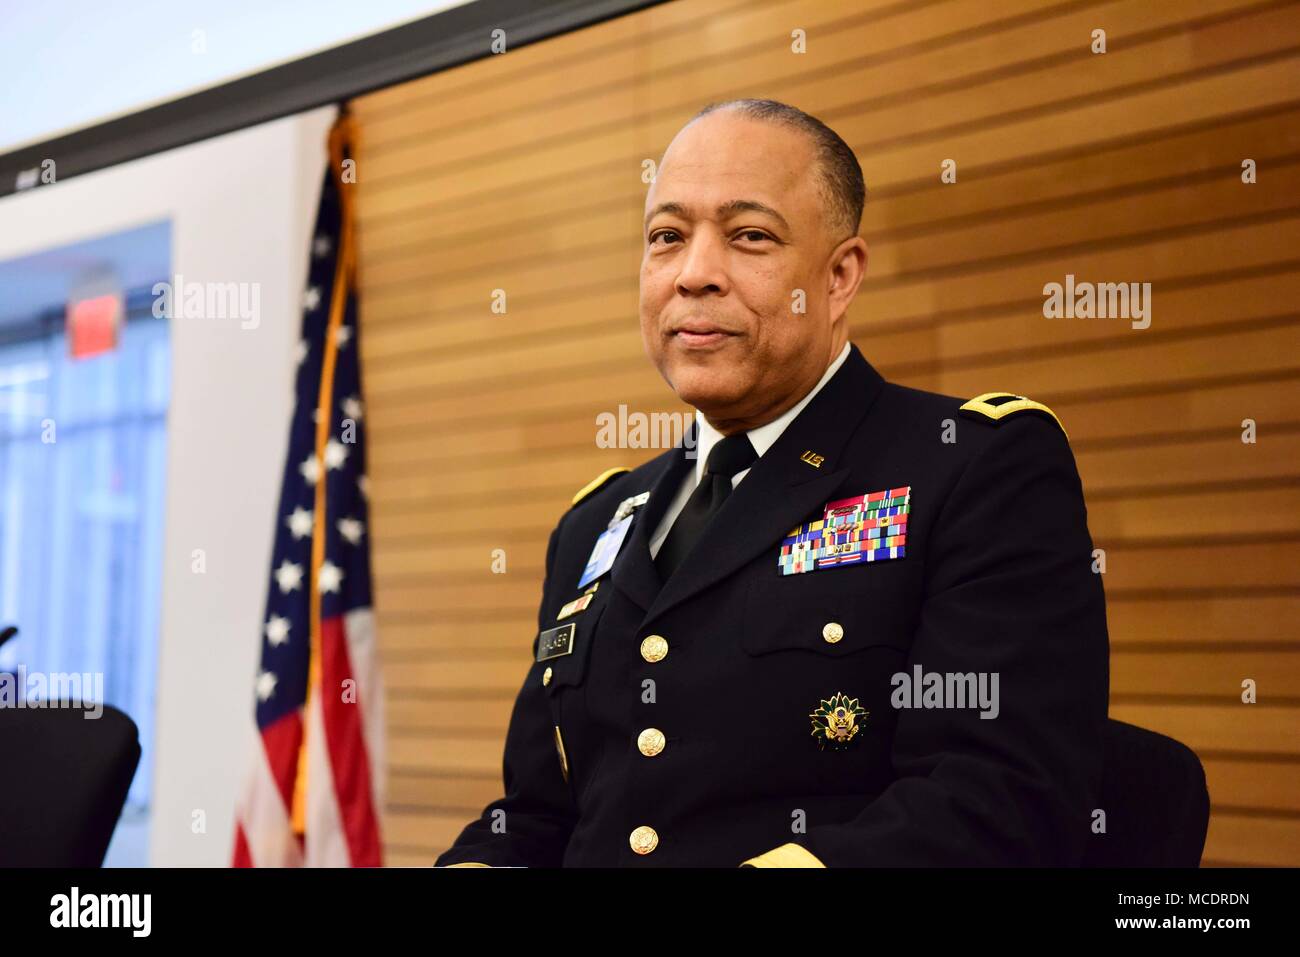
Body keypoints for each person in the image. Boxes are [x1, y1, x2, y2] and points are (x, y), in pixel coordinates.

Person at [435, 98, 1109, 867]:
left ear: (840, 275)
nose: (694, 275)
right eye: (667, 237)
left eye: (749, 236)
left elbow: (1000, 799)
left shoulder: (975, 467)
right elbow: (535, 815)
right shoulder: (594, 524)